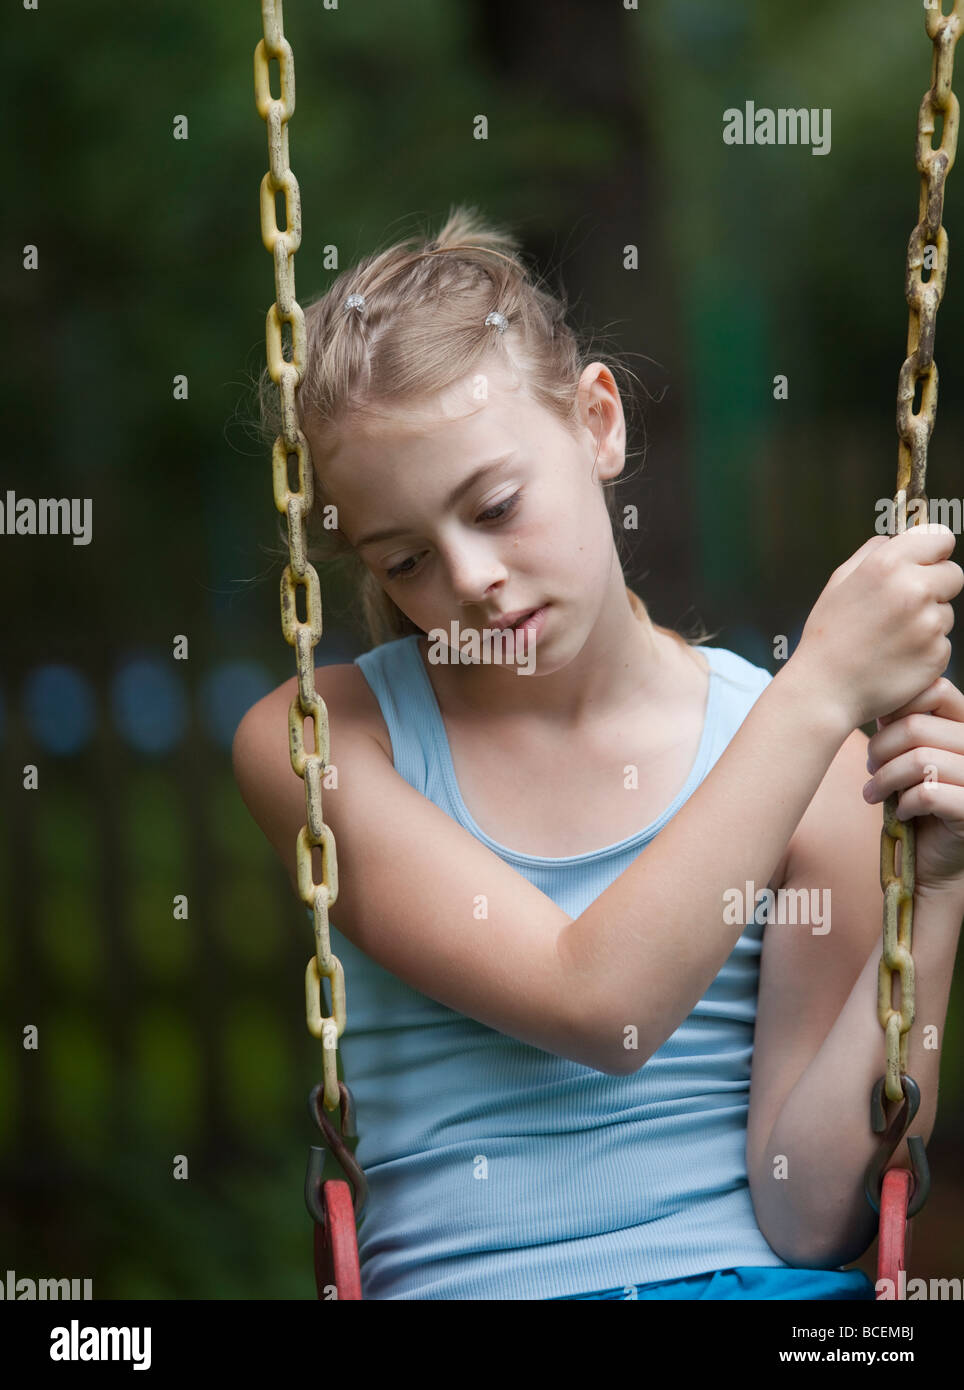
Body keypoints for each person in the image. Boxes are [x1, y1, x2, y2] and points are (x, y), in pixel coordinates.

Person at [232, 205, 964, 1300]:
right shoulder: (324, 740)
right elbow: (600, 1009)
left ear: (597, 422)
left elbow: (809, 1210)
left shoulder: (803, 764)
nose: (470, 577)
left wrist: (943, 889)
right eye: (406, 560)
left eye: (495, 504)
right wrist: (819, 689)